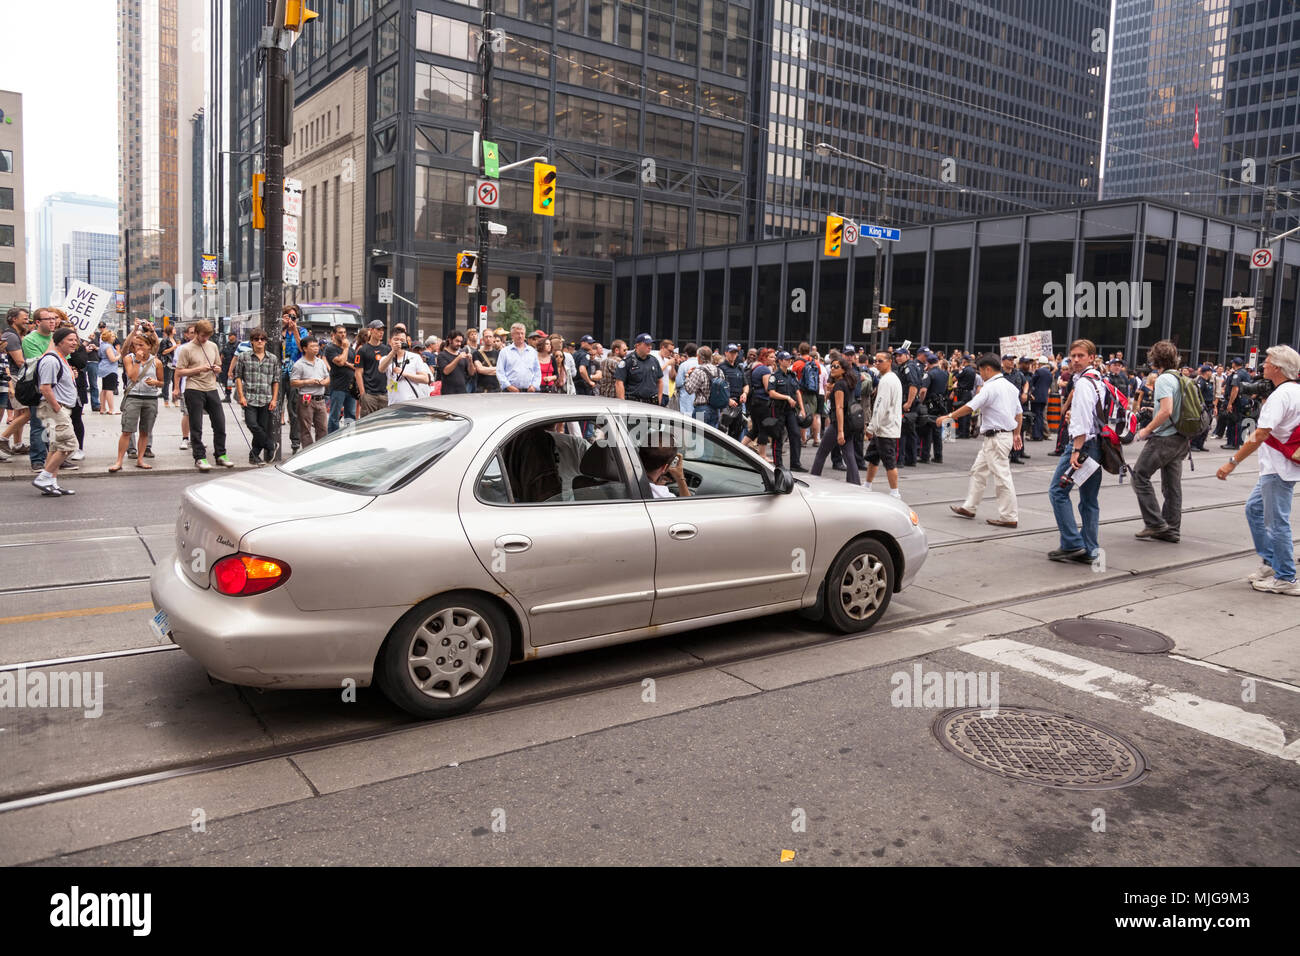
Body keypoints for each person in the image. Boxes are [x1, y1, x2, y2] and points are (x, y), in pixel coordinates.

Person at [1216, 345, 1300, 595]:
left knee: (1277, 523)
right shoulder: (1294, 391)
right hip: (1278, 468)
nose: (1263, 364)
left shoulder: (1281, 395)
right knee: (1254, 510)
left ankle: (1285, 576)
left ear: (1278, 368)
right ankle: (1271, 562)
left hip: (1277, 469)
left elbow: (1261, 433)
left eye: (1267, 361)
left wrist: (1232, 461)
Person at [939, 354, 1022, 527]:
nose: (980, 375)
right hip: (999, 436)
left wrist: (949, 416)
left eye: (981, 371)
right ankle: (970, 507)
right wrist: (1017, 433)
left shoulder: (990, 387)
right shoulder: (1010, 387)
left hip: (996, 438)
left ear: (988, 369)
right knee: (978, 471)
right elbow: (1018, 412)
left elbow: (972, 406)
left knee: (1002, 477)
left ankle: (1009, 517)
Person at [1047, 339, 1104, 564]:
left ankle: (1072, 543)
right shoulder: (1099, 379)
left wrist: (1076, 449)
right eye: (1073, 356)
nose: (1076, 360)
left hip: (1083, 446)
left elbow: (1081, 421)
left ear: (1092, 357)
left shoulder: (1082, 383)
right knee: (1089, 500)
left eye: (1081, 356)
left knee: (1057, 492)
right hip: (1098, 446)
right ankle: (1090, 550)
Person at [1130, 340, 1189, 543]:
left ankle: (1155, 523)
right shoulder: (1180, 377)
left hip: (1165, 438)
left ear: (1155, 359)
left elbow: (1166, 410)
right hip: (1181, 438)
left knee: (1139, 475)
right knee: (1172, 486)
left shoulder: (1164, 380)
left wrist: (1147, 429)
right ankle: (1172, 529)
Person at [177, 319, 232, 471]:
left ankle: (221, 454)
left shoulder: (212, 346)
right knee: (196, 425)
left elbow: (219, 366)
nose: (205, 339)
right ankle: (199, 457)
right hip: (193, 388)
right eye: (202, 336)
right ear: (196, 333)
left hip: (211, 387)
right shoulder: (186, 349)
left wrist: (216, 369)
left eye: (208, 336)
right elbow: (179, 371)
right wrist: (199, 369)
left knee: (220, 423)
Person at [32, 327, 81, 496]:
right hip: (55, 408)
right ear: (59, 341)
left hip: (60, 408)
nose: (74, 343)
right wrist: (58, 409)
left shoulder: (61, 359)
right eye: (70, 339)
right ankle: (44, 477)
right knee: (69, 445)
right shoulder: (51, 360)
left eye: (75, 339)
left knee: (55, 447)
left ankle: (51, 483)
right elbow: (45, 388)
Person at [109, 335, 163, 472]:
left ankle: (140, 459)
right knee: (127, 430)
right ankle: (119, 461)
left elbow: (162, 382)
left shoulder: (156, 362)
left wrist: (156, 383)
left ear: (149, 346)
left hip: (150, 398)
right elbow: (132, 376)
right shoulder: (130, 358)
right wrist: (137, 361)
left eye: (141, 345)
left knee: (145, 431)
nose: (137, 348)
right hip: (133, 397)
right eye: (135, 345)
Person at [809, 358, 861, 485]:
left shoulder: (839, 385)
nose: (832, 368)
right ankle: (855, 484)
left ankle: (812, 481)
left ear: (843, 369)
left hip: (839, 424)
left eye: (836, 366)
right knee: (849, 456)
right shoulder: (848, 383)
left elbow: (839, 408)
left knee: (821, 453)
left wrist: (840, 431)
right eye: (831, 366)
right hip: (849, 423)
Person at [236, 329, 281, 465]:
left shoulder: (272, 358)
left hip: (266, 399)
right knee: (252, 425)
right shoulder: (243, 357)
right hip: (249, 398)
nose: (260, 341)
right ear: (252, 342)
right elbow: (238, 377)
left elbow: (276, 381)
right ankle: (270, 445)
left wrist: (274, 399)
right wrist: (241, 396)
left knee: (261, 428)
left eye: (262, 339)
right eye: (256, 339)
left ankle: (254, 456)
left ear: (266, 341)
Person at [864, 350, 902, 497]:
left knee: (889, 462)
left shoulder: (887, 381)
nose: (877, 364)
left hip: (885, 428)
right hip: (885, 427)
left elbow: (880, 406)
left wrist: (871, 427)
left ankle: (895, 492)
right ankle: (867, 485)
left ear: (889, 361)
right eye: (876, 361)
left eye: (880, 361)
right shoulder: (891, 379)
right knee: (874, 458)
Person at [767, 350, 806, 471]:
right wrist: (787, 397)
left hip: (790, 410)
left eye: (790, 359)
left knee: (795, 434)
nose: (789, 361)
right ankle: (778, 464)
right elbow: (771, 393)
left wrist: (802, 409)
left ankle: (795, 464)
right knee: (777, 436)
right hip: (778, 409)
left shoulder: (792, 375)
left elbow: (797, 392)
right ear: (779, 361)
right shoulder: (774, 376)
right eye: (786, 359)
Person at [280, 305, 309, 452]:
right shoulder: (279, 330)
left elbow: (301, 348)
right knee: (276, 406)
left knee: (293, 409)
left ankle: (295, 441)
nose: (290, 319)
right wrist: (283, 327)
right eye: (288, 316)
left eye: (293, 317)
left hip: (294, 373)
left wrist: (295, 329)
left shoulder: (302, 331)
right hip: (279, 373)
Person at [379, 331, 431, 404]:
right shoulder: (386, 358)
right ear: (390, 341)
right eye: (396, 339)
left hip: (412, 403)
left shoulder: (415, 357)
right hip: (393, 404)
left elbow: (425, 379)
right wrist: (393, 352)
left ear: (406, 342)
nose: (399, 343)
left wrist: (405, 374)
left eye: (402, 340)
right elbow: (381, 369)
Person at [355, 320, 392, 416]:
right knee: (367, 426)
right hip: (369, 394)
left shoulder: (387, 349)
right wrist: (363, 394)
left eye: (382, 330)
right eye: (378, 329)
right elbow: (358, 373)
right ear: (371, 330)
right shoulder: (363, 350)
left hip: (384, 394)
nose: (381, 332)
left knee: (383, 425)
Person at [323, 324, 357, 432]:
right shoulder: (330, 348)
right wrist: (345, 348)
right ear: (334, 334)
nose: (343, 335)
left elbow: (356, 365)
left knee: (351, 415)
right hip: (338, 387)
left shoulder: (351, 350)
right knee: (335, 416)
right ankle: (332, 440)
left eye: (344, 332)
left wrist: (348, 364)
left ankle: (350, 437)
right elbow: (341, 362)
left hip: (351, 388)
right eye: (340, 332)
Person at [917, 350, 948, 464]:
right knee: (937, 430)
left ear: (928, 363)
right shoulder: (945, 373)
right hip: (941, 403)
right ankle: (938, 456)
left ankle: (925, 456)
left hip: (930, 404)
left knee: (927, 430)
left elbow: (923, 390)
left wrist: (920, 401)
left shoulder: (929, 374)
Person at [614, 333, 663, 405]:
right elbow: (619, 383)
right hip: (634, 403)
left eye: (650, 345)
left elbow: (660, 381)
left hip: (652, 403)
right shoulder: (628, 361)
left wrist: (659, 399)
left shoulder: (654, 360)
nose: (650, 347)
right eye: (647, 344)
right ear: (637, 345)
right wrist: (622, 403)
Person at [894, 347, 923, 467]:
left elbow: (913, 386)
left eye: (900, 355)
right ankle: (910, 459)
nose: (898, 358)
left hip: (908, 403)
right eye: (896, 356)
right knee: (910, 431)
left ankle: (901, 459)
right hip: (910, 402)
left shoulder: (908, 367)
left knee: (902, 432)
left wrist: (909, 403)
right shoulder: (908, 366)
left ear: (907, 355)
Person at [684, 346, 724, 427]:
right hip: (715, 410)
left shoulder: (698, 371)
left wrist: (687, 376)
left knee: (698, 438)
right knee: (711, 438)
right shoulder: (719, 371)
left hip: (701, 410)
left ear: (699, 357)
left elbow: (689, 390)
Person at [496, 323, 542, 392]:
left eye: (522, 333)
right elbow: (500, 371)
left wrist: (534, 386)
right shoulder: (504, 352)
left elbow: (537, 371)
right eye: (517, 333)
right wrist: (508, 386)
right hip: (510, 391)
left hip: (529, 391)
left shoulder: (532, 352)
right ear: (512, 335)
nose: (520, 336)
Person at [435, 330, 473, 395]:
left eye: (461, 342)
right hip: (448, 393)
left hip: (462, 392)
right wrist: (458, 358)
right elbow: (446, 371)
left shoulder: (462, 355)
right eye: (457, 341)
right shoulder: (442, 355)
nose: (459, 344)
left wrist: (470, 361)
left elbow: (471, 373)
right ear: (450, 340)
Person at [96, 330, 120, 415]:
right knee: (110, 389)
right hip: (110, 369)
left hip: (104, 367)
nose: (114, 338)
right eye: (113, 336)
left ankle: (102, 408)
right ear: (108, 337)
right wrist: (119, 356)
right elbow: (112, 359)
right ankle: (111, 409)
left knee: (104, 389)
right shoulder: (108, 347)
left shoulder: (102, 345)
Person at [954, 354, 978, 438]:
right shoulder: (972, 370)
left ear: (964, 361)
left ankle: (961, 433)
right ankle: (966, 433)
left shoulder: (964, 370)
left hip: (963, 392)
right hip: (969, 393)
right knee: (967, 413)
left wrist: (959, 371)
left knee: (961, 412)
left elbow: (954, 378)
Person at [1030, 356, 1053, 440]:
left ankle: (1036, 435)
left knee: (1036, 416)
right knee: (1040, 416)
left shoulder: (1039, 371)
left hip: (1036, 396)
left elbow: (1032, 381)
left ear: (1040, 363)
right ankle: (1040, 434)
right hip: (1044, 397)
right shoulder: (1049, 373)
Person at [473, 329, 500, 393]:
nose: (488, 338)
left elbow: (501, 370)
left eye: (490, 336)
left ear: (493, 338)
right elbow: (480, 369)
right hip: (482, 389)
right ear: (483, 338)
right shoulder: (476, 354)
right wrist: (496, 369)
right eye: (486, 336)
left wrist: (486, 370)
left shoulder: (498, 353)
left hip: (497, 389)